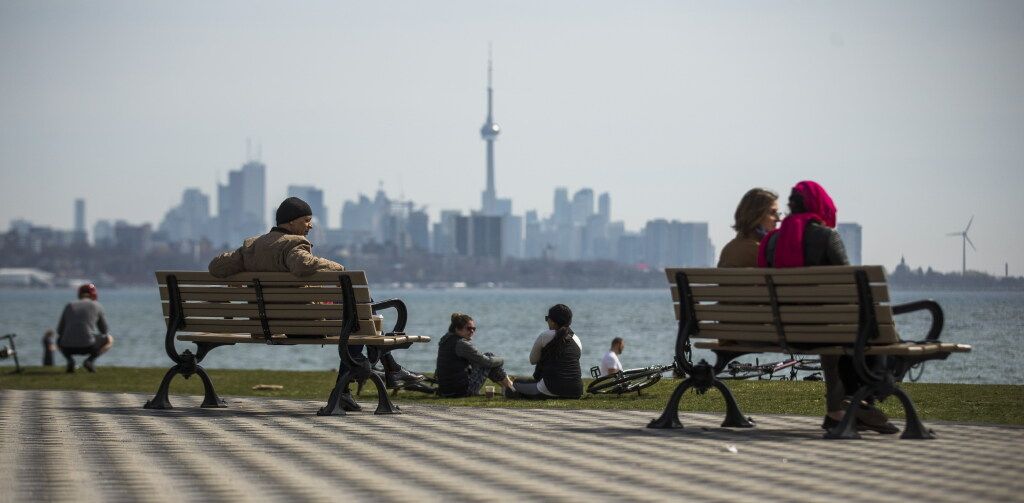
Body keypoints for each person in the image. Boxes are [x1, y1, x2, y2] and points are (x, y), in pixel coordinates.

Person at [208, 197, 422, 407]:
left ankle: (387, 368)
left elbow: (216, 267)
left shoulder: (251, 246)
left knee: (357, 312)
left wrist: (243, 259)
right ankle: (371, 374)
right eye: (307, 220)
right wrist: (339, 268)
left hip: (265, 325)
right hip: (302, 324)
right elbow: (302, 265)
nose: (310, 225)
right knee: (357, 314)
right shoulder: (294, 243)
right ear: (291, 221)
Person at [758, 180, 898, 434]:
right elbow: (852, 289)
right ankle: (864, 400)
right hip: (826, 330)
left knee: (846, 334)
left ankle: (849, 409)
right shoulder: (827, 236)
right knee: (867, 330)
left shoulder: (771, 241)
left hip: (785, 332)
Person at [435, 313, 515, 397]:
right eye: (469, 328)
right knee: (489, 358)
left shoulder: (446, 339)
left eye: (474, 329)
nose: (472, 331)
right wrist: (502, 360)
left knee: (487, 360)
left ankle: (509, 388)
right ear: (458, 329)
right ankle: (512, 388)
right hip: (460, 392)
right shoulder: (461, 344)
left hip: (446, 391)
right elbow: (486, 362)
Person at [513, 304, 584, 399]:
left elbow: (533, 360)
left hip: (550, 389)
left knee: (516, 383)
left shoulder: (545, 335)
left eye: (547, 319)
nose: (547, 322)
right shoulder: (577, 339)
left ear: (553, 322)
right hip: (575, 391)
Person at [56, 284, 114, 373]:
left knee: (58, 339)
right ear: (93, 294)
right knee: (109, 339)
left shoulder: (69, 305)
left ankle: (69, 360)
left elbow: (59, 331)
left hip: (67, 347)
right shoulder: (96, 305)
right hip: (88, 346)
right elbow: (104, 330)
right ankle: (90, 361)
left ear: (79, 294)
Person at [718, 188, 780, 267]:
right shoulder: (761, 252)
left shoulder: (728, 249)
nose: (778, 219)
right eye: (772, 212)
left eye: (778, 213)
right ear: (756, 215)